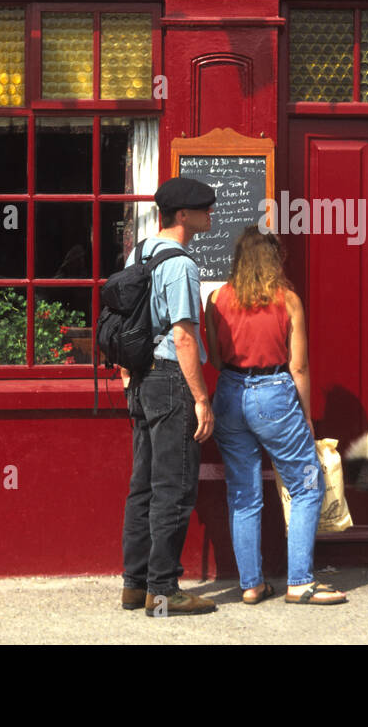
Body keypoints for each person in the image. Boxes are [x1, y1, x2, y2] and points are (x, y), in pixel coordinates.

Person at [204, 225, 348, 605]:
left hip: (231, 395)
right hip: (275, 398)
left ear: (238, 260)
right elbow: (298, 367)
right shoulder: (288, 301)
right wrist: (308, 417)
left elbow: (216, 359)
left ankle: (251, 584)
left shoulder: (216, 298)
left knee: (243, 493)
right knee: (306, 484)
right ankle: (299, 582)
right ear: (274, 261)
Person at [119, 176, 218, 617]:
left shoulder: (138, 252)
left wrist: (128, 375)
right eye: (204, 210)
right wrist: (201, 397)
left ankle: (134, 586)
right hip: (171, 379)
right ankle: (164, 591)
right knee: (173, 489)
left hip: (141, 380)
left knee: (142, 487)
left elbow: (126, 323)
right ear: (183, 216)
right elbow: (182, 335)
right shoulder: (181, 264)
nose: (210, 216)